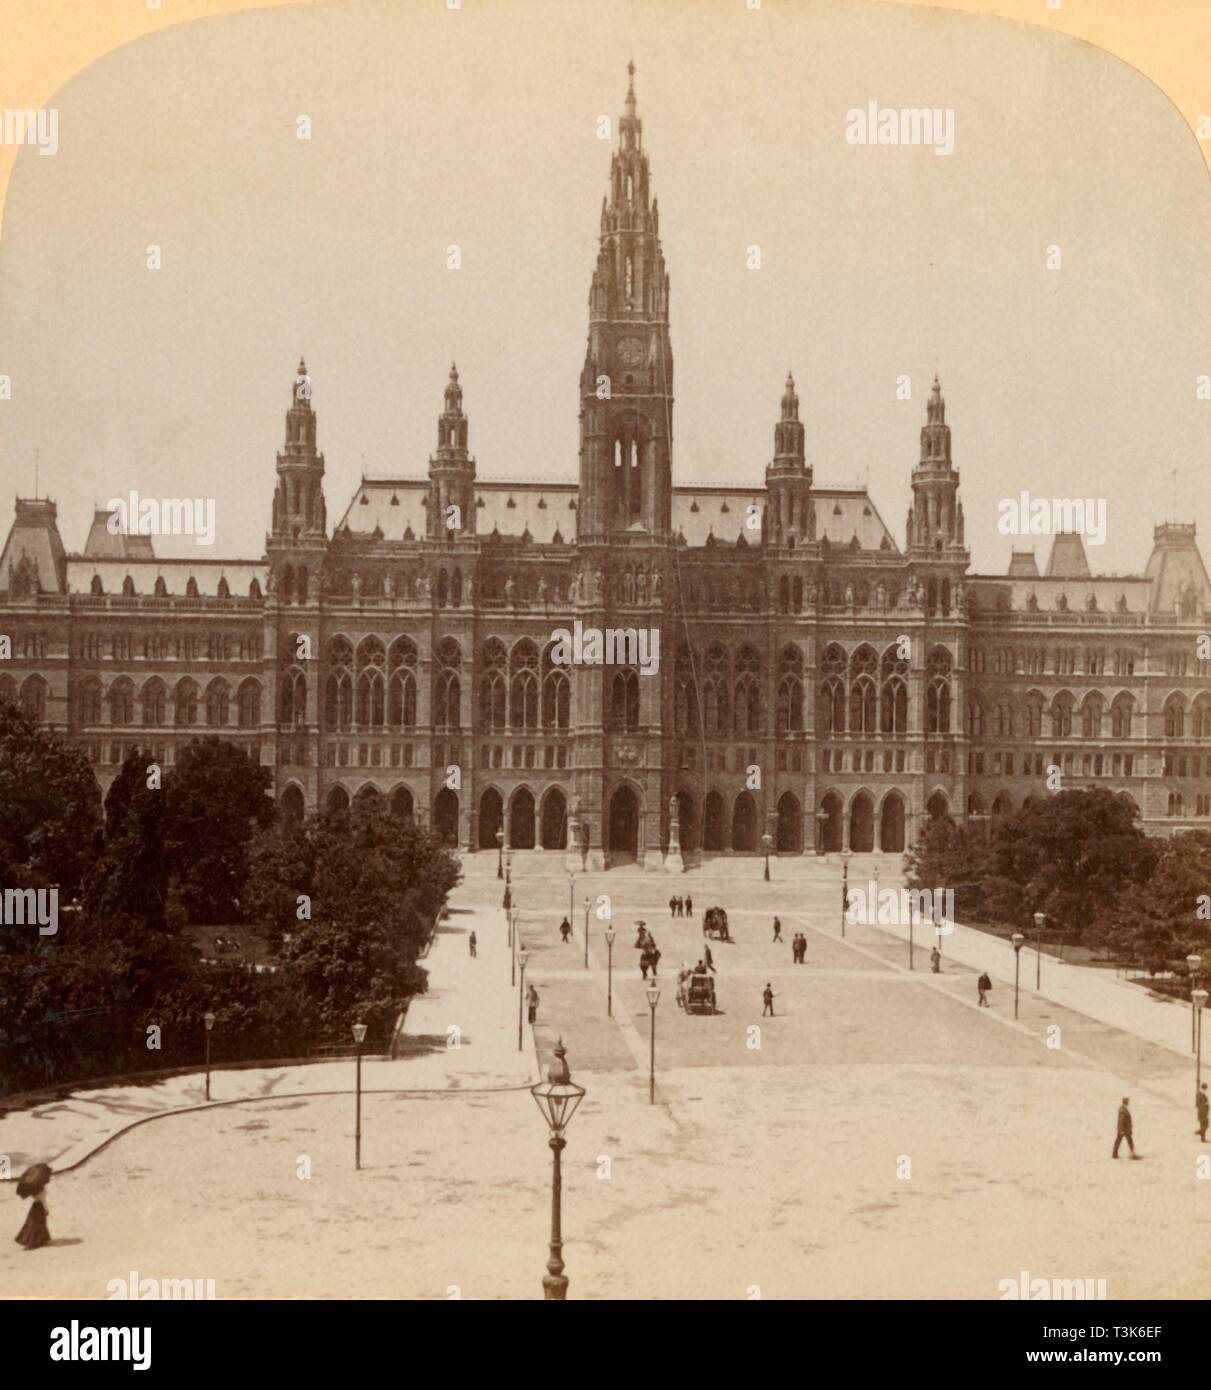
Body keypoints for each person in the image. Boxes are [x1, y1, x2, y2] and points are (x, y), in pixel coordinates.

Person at [15, 1164, 51, 1251]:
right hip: (40, 1207)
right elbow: (43, 1201)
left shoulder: (34, 1190)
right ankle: (36, 1241)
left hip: (34, 1207)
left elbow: (35, 1198)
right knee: (39, 1224)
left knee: (32, 1224)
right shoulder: (43, 1190)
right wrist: (47, 1209)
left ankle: (33, 1240)